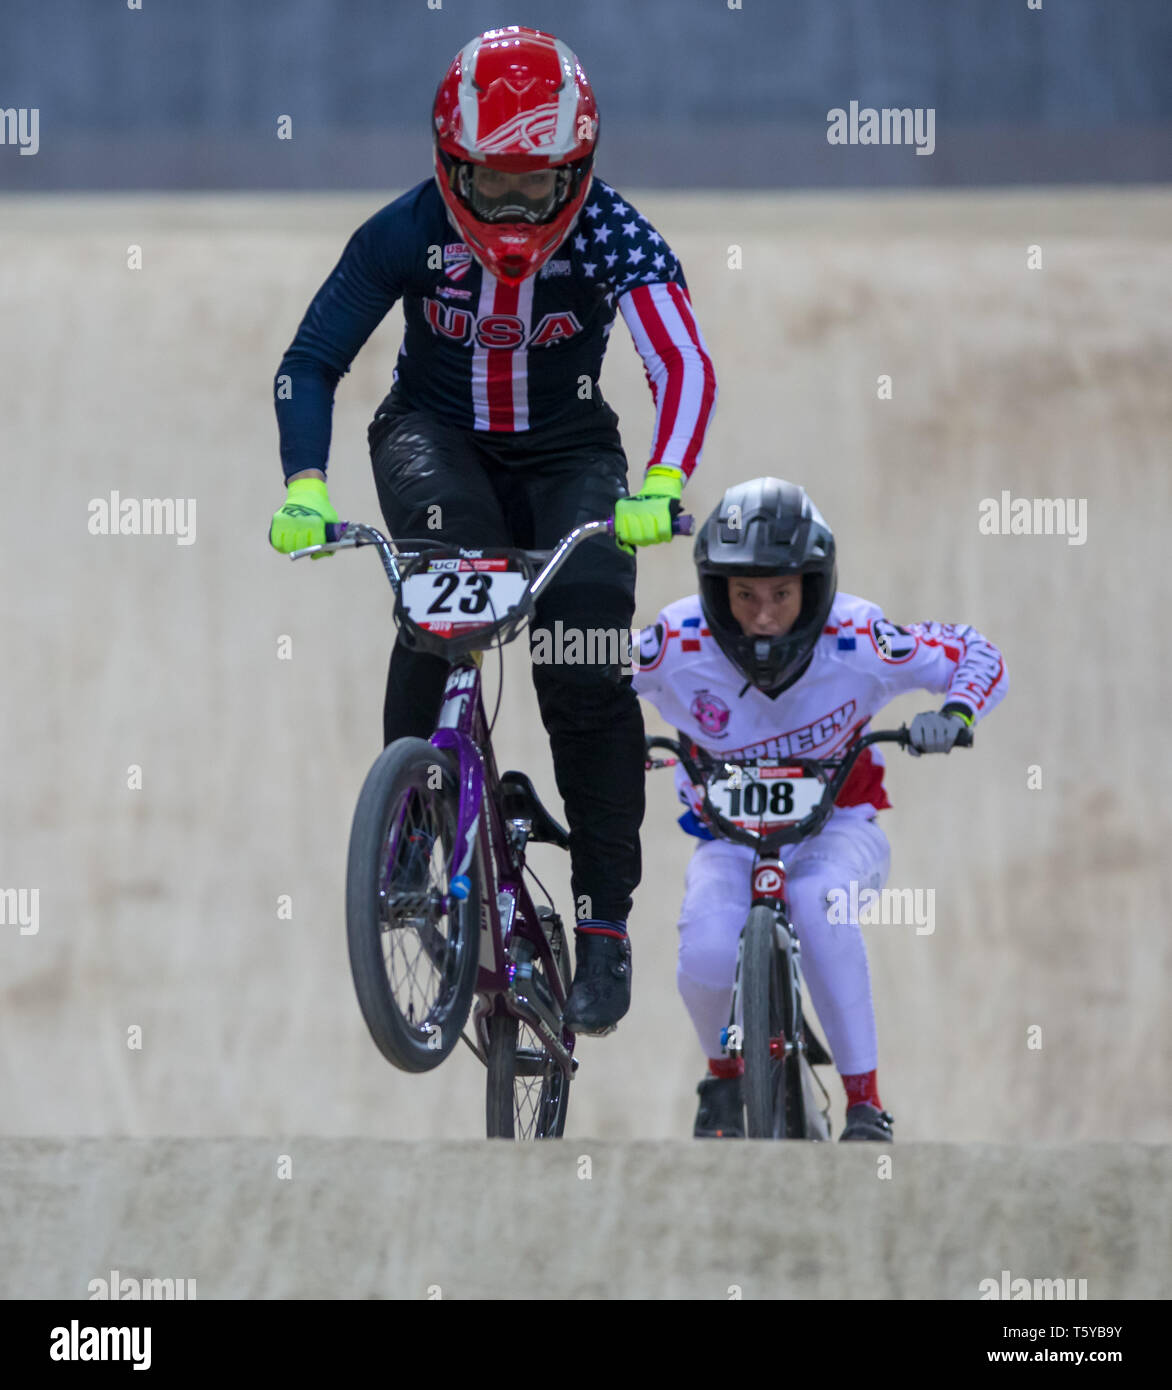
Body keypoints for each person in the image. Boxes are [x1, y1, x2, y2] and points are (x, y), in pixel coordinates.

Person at [268, 26, 717, 1035]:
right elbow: (311, 359)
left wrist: (661, 479)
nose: (514, 213)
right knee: (438, 592)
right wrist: (304, 483)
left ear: (580, 173)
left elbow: (682, 365)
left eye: (538, 190)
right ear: (448, 163)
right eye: (492, 187)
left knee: (584, 654)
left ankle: (603, 920)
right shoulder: (405, 229)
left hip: (572, 461)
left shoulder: (614, 235)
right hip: (434, 440)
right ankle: (411, 830)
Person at [632, 477, 1007, 1139]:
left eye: (782, 593)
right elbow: (581, 677)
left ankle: (865, 1102)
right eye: (744, 596)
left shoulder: (860, 635)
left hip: (838, 827)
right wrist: (606, 743)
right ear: (716, 591)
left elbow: (978, 651)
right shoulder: (674, 640)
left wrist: (954, 712)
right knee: (707, 951)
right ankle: (721, 1077)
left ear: (814, 585)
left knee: (820, 902)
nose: (764, 616)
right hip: (727, 840)